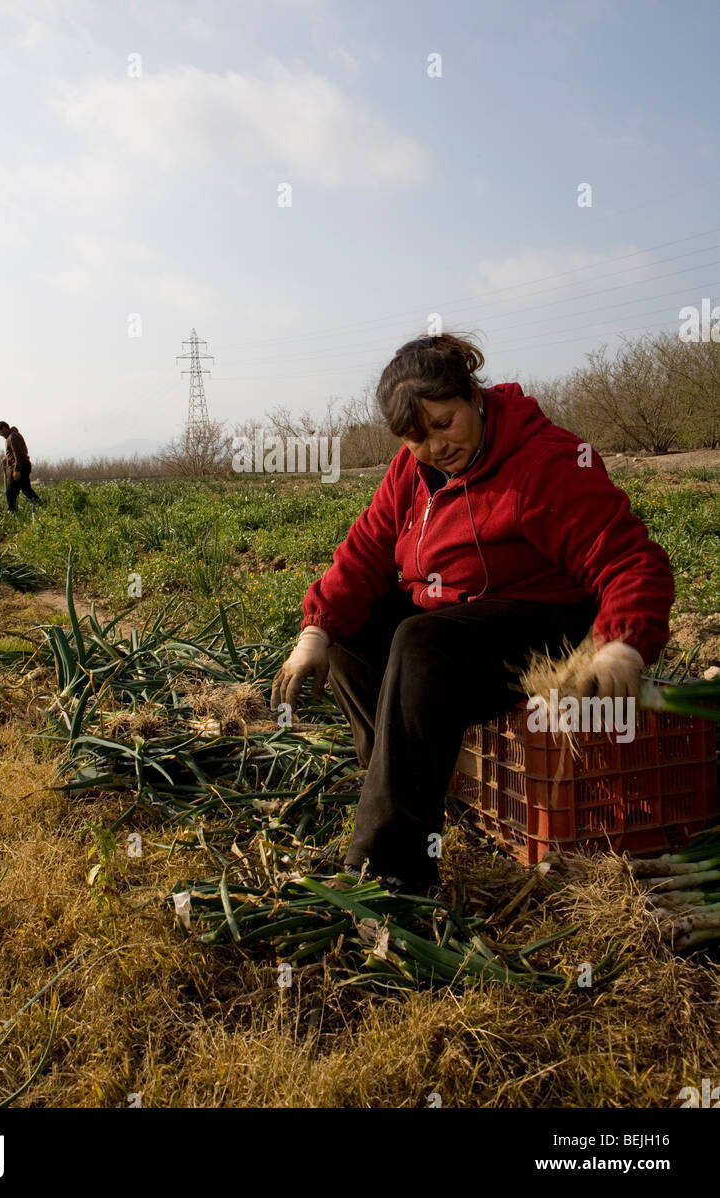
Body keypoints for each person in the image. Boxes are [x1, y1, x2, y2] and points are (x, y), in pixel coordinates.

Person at [270, 333, 675, 895]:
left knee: (420, 642)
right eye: (416, 437)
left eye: (444, 423)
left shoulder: (542, 461)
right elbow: (363, 553)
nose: (435, 446)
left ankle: (391, 874)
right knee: (354, 629)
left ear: (475, 398)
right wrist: (315, 631)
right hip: (457, 626)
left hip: (542, 626)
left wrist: (621, 643)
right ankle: (412, 788)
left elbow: (630, 558)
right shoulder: (409, 475)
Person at [0, 420, 42, 512]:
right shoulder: (13, 436)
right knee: (26, 489)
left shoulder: (13, 437)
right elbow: (17, 451)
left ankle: (12, 513)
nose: (0, 435)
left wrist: (17, 470)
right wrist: (6, 458)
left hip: (20, 466)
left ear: (4, 428)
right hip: (23, 464)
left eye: (0, 432)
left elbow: (18, 454)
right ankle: (41, 505)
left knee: (10, 492)